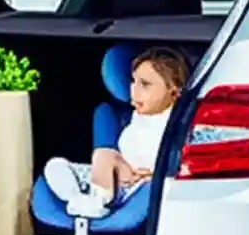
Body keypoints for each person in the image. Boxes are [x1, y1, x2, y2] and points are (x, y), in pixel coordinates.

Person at [42, 47, 190, 218]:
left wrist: (155, 175)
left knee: (105, 155)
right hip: (114, 180)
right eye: (133, 81)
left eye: (145, 84)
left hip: (144, 186)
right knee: (55, 165)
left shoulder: (177, 122)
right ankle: (78, 199)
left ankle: (98, 200)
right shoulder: (132, 117)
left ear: (173, 90)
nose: (134, 90)